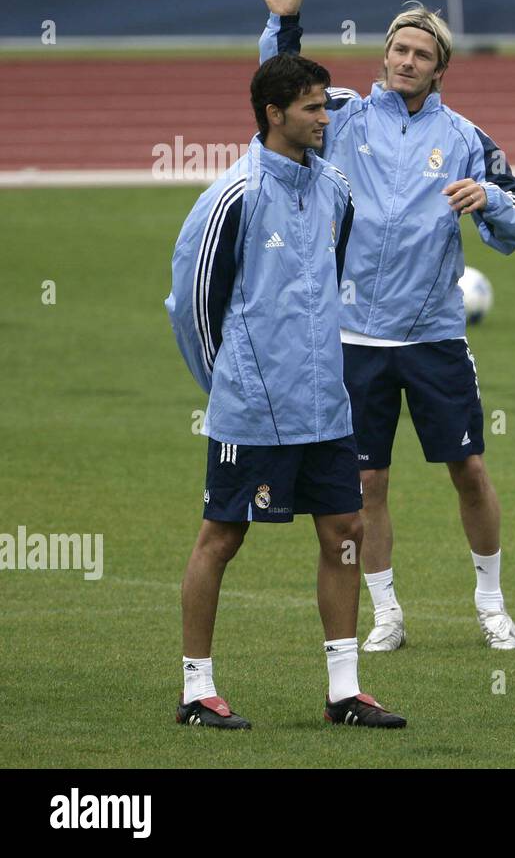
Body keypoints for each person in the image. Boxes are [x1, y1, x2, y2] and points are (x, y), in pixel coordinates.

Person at [247, 0, 515, 653]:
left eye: (423, 54)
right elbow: (281, 88)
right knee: (365, 480)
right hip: (353, 337)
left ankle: (491, 603)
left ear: (440, 70)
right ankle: (387, 613)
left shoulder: (467, 137)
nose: (408, 60)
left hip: (434, 333)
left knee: (468, 469)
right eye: (400, 49)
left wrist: (489, 201)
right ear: (385, 54)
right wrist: (283, 21)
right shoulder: (341, 115)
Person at [164, 54, 405, 730]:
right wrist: (226, 383)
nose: (326, 118)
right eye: (313, 108)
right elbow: (190, 305)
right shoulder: (233, 195)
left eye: (326, 106)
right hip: (251, 409)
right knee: (222, 534)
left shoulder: (336, 189)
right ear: (274, 114)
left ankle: (344, 691)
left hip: (327, 405)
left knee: (345, 532)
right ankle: (196, 689)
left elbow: (325, 282)